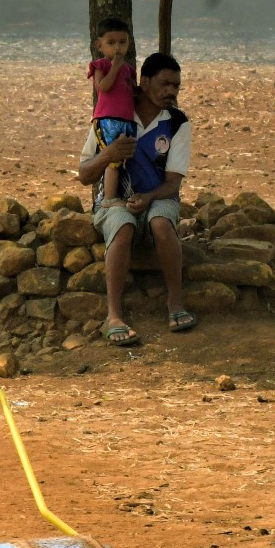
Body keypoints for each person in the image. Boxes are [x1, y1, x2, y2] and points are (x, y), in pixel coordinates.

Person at [78, 51, 195, 347]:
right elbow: (84, 174)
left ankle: (175, 302)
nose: (171, 92)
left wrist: (148, 197)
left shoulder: (177, 123)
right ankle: (114, 315)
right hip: (114, 201)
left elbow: (172, 183)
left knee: (160, 223)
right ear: (144, 82)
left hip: (158, 199)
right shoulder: (113, 118)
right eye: (165, 84)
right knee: (122, 225)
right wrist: (109, 155)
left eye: (176, 86)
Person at [87, 16, 138, 205]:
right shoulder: (101, 65)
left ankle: (119, 194)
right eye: (111, 43)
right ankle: (108, 198)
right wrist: (115, 67)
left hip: (125, 119)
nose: (117, 48)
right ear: (100, 45)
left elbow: (131, 91)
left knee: (122, 159)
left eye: (122, 42)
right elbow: (103, 87)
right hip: (107, 119)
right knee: (112, 158)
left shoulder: (128, 69)